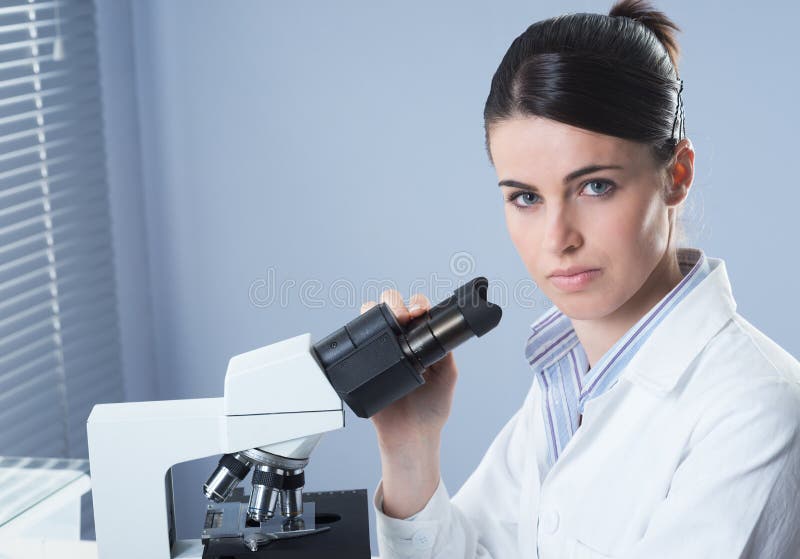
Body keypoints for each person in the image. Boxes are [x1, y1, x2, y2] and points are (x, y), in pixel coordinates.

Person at [358, 1, 800, 558]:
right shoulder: (566, 385)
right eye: (526, 198)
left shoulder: (756, 409)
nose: (557, 237)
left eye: (594, 187)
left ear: (676, 176)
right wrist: (410, 450)